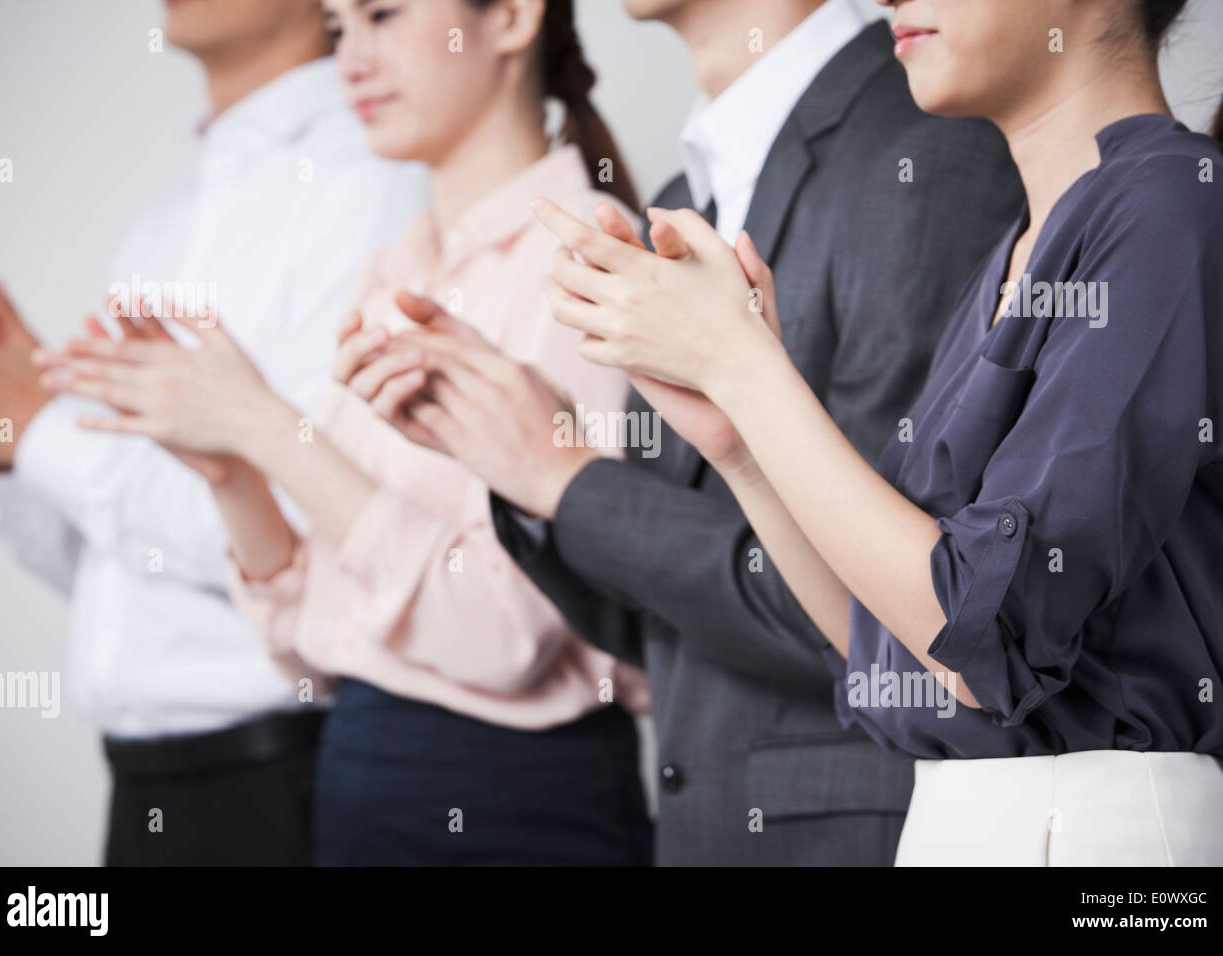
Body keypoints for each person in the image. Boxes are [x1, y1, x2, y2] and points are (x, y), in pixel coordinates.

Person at [527, 0, 1223, 865]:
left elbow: (992, 629)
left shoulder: (1175, 207)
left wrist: (744, 369)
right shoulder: (1017, 248)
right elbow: (903, 644)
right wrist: (740, 445)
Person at [330, 0, 1023, 864]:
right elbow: (656, 628)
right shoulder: (680, 196)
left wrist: (565, 477)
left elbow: (904, 620)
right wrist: (509, 451)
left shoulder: (927, 142)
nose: (351, 53)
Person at [39, 0, 653, 867]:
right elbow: (304, 640)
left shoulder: (582, 260)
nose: (352, 60)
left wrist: (267, 425)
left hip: (515, 801)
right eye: (339, 28)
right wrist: (233, 471)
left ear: (511, 18)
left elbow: (506, 637)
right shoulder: (393, 268)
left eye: (385, 16)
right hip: (362, 774)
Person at [0, 0, 428, 865]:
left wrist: (41, 434)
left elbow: (307, 537)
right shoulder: (162, 225)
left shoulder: (374, 184)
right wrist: (7, 445)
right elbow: (110, 567)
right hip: (147, 793)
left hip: (283, 778)